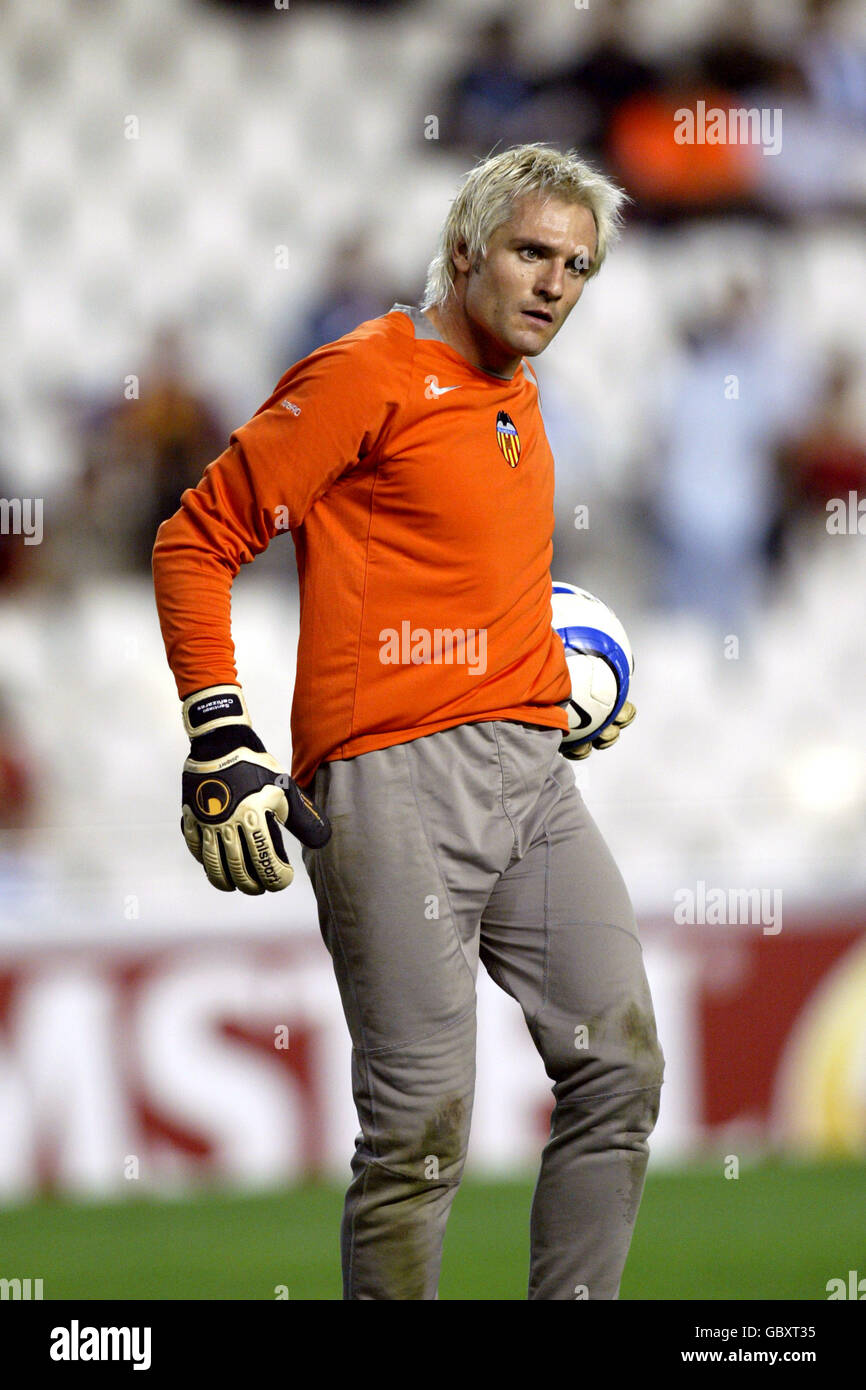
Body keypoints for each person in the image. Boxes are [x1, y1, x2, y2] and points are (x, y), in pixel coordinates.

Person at [152, 143, 664, 1300]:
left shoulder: (519, 397)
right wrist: (220, 732)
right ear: (463, 249)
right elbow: (196, 538)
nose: (553, 284)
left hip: (532, 781)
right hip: (391, 788)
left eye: (576, 266)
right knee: (420, 1134)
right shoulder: (362, 375)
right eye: (531, 253)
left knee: (617, 1066)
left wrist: (557, 688)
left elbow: (461, 584)